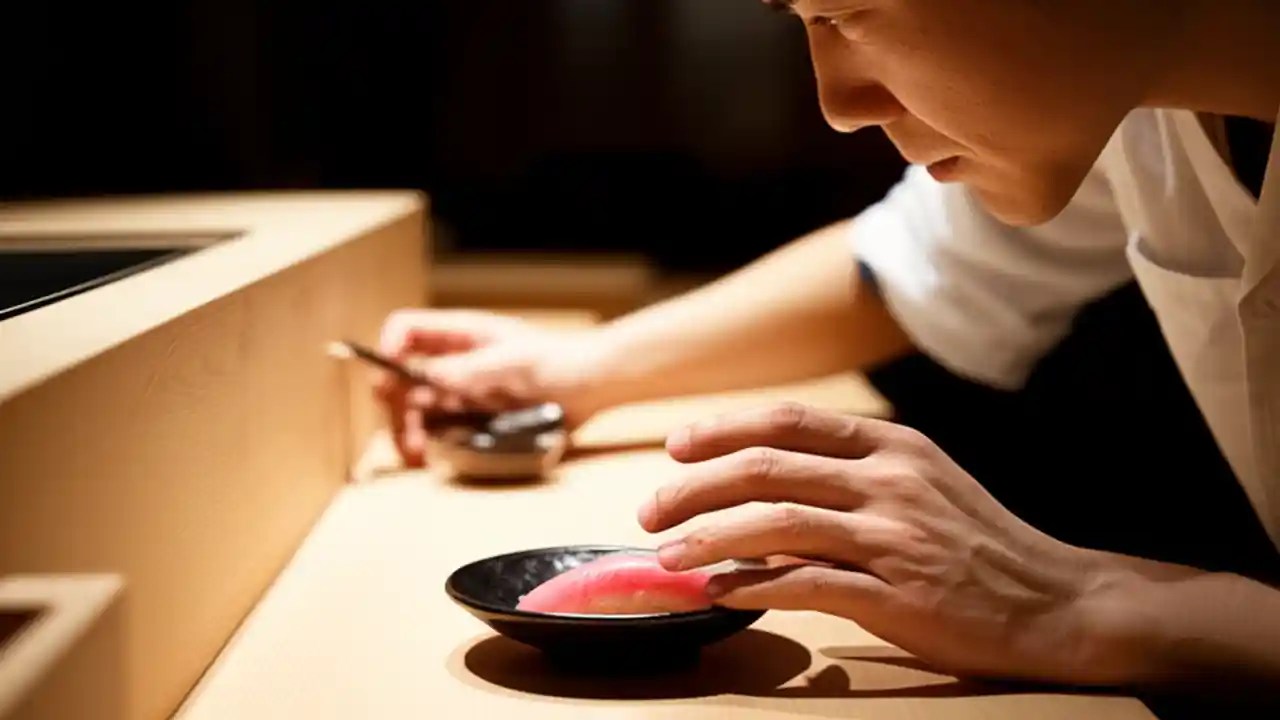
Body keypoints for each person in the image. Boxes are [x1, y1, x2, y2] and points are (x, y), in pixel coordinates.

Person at [376, 0, 1280, 711]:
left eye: (845, 12)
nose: (839, 107)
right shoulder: (1136, 108)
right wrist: (570, 373)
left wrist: (1092, 606)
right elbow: (906, 266)